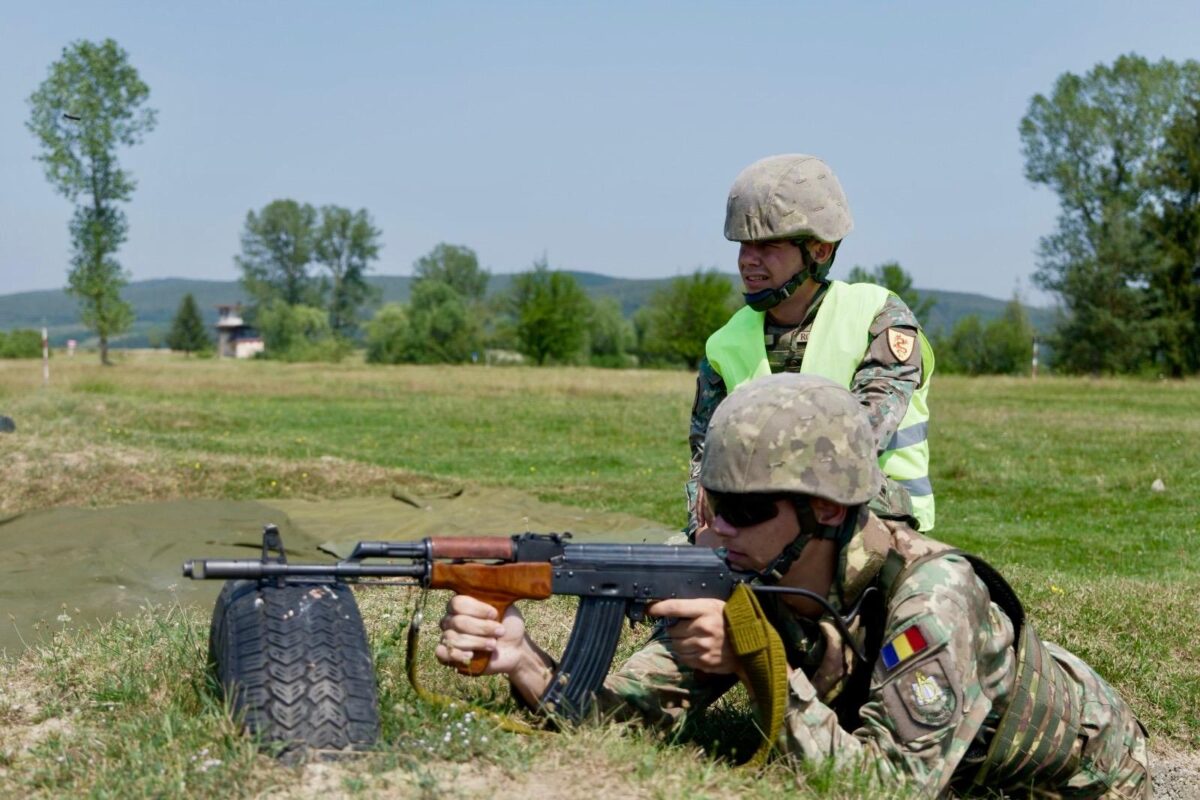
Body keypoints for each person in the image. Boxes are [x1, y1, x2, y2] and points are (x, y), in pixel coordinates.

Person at [436, 374, 1149, 797]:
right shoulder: (744, 569)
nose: (715, 535)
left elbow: (882, 790)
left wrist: (759, 663)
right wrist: (524, 661)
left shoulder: (934, 600)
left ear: (828, 511)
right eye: (710, 508)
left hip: (1077, 780)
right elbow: (627, 724)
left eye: (744, 513)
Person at [689, 153, 934, 539]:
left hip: (877, 522)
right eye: (742, 246)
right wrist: (704, 532)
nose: (748, 261)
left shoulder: (878, 317)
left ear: (819, 250)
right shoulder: (725, 343)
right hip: (765, 529)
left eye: (767, 246)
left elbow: (857, 441)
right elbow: (704, 460)